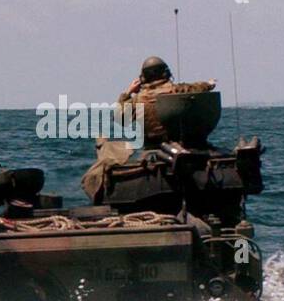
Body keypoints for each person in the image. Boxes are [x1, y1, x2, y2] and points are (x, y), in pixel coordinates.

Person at [81, 56, 213, 201]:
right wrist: (208, 84)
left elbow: (119, 118)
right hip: (186, 147)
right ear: (165, 73)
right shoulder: (179, 90)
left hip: (152, 151)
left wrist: (128, 93)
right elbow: (200, 87)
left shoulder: (137, 100)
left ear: (143, 78)